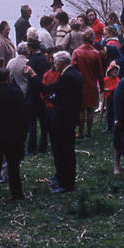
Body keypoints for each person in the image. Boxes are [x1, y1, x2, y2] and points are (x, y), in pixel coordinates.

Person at [0, 67, 28, 200]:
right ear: (9, 77)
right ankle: (16, 192)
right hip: (13, 135)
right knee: (14, 166)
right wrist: (23, 134)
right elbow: (23, 115)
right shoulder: (17, 93)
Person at [47, 51, 83, 193]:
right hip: (69, 117)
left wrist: (33, 77)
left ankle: (66, 184)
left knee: (64, 151)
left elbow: (52, 89)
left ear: (61, 63)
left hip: (64, 118)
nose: (54, 65)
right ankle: (62, 177)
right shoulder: (75, 74)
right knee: (65, 150)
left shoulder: (67, 77)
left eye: (55, 62)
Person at [72, 32, 105, 139]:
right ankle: (89, 132)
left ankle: (80, 132)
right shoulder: (96, 53)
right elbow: (100, 72)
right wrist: (101, 85)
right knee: (90, 109)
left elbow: (72, 69)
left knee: (81, 109)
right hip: (91, 84)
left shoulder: (76, 52)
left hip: (79, 85)